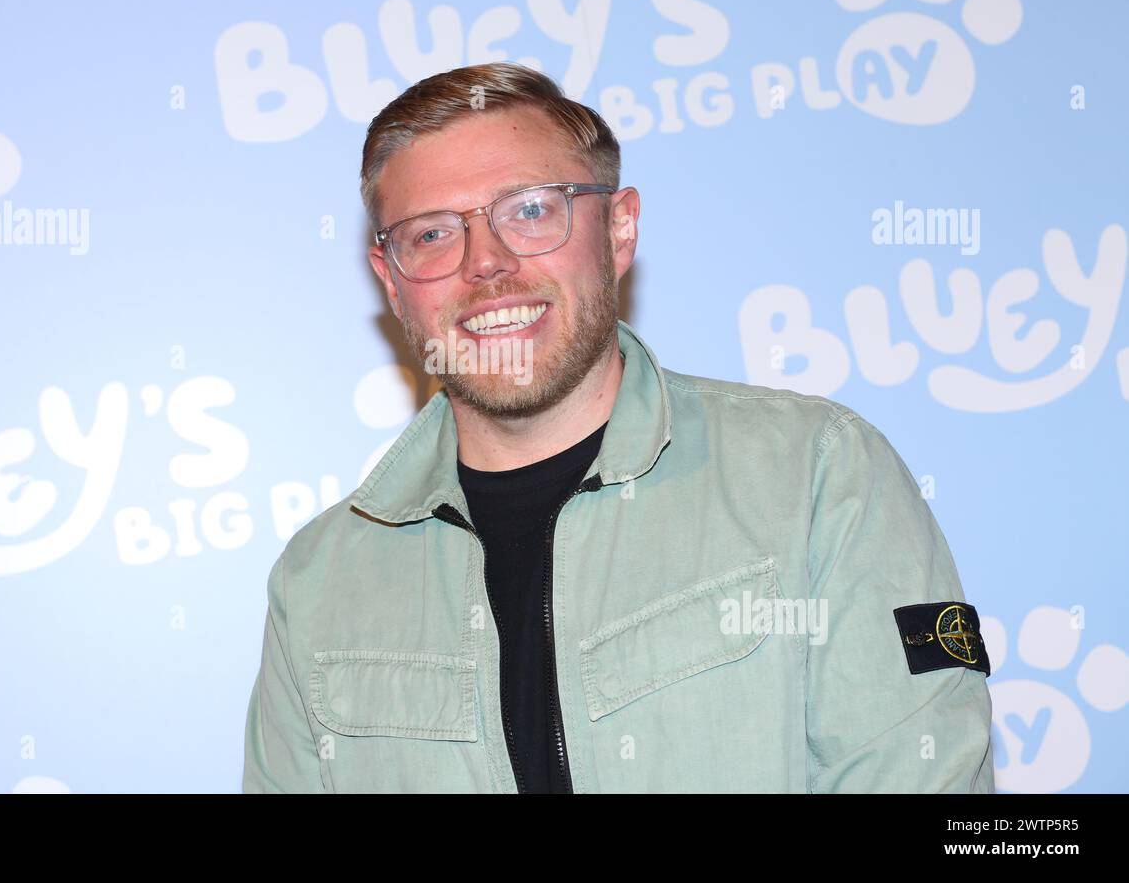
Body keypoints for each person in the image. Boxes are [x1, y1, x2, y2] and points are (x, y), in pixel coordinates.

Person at [242, 61, 994, 793]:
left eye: (531, 209)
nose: (487, 264)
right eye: (432, 234)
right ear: (392, 279)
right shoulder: (318, 586)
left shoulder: (816, 478)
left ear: (620, 229)